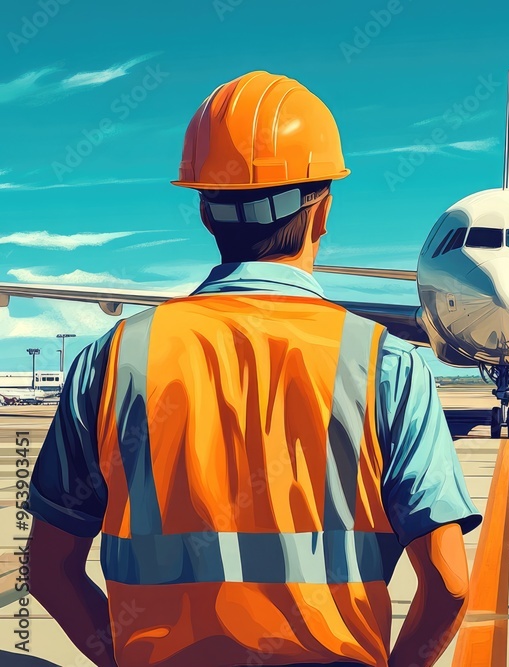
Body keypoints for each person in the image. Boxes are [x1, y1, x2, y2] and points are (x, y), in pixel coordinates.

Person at [26, 71, 481, 667]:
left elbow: (49, 569)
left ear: (205, 211)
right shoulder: (384, 364)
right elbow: (448, 583)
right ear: (322, 214)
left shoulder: (112, 361)